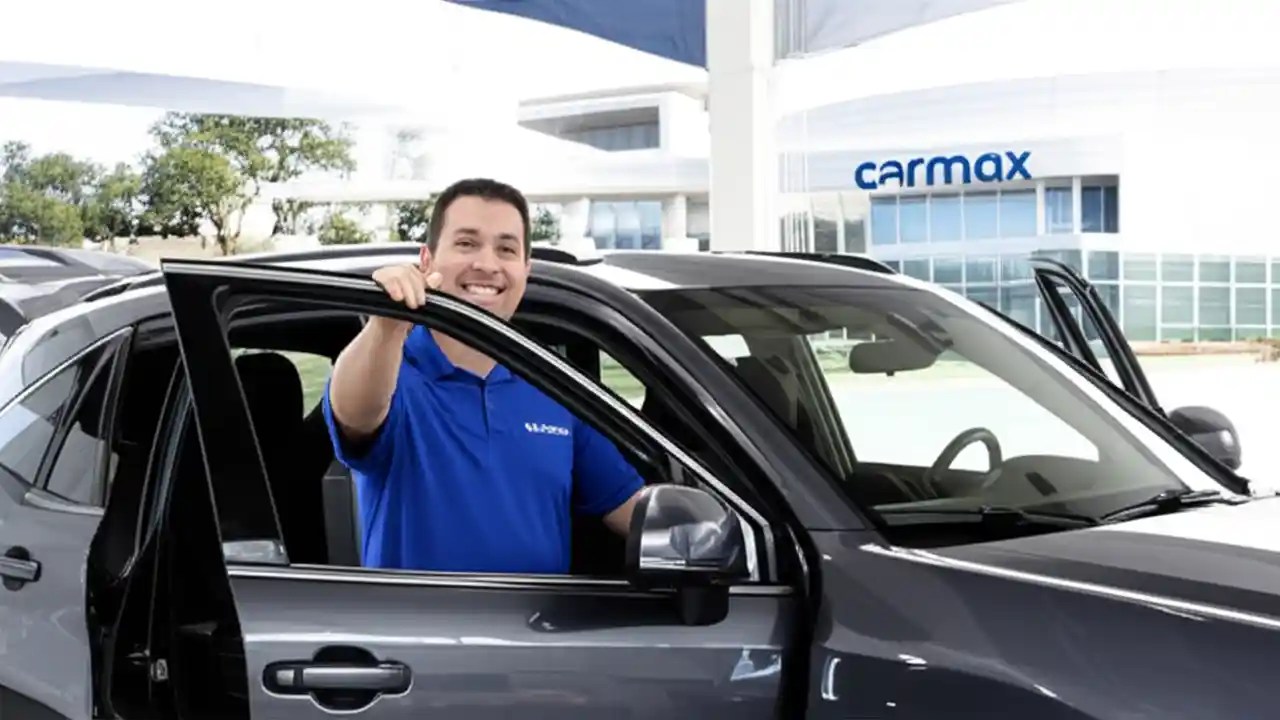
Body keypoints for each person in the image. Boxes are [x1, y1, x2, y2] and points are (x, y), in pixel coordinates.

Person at [322, 178, 645, 574]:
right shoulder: (392, 374)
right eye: (466, 243)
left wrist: (708, 528)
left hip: (542, 616)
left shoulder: (553, 385)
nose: (487, 265)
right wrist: (386, 325)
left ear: (525, 269)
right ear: (426, 261)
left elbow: (629, 506)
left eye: (506, 249)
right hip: (422, 615)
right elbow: (355, 411)